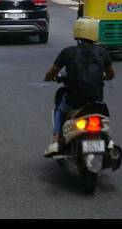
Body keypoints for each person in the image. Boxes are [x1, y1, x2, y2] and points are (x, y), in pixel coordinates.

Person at [42, 19, 114, 158]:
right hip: (96, 100)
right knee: (103, 115)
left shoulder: (68, 52)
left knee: (60, 111)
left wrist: (48, 78)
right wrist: (103, 77)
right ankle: (109, 142)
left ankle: (56, 142)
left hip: (74, 100)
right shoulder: (102, 53)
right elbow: (111, 74)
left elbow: (52, 72)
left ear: (77, 32)